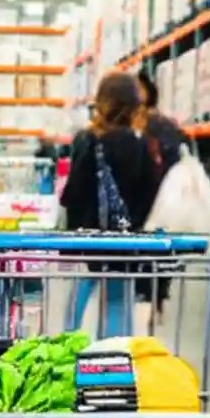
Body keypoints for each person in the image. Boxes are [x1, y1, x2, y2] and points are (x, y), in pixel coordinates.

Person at [60, 72, 158, 337]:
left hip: (89, 239)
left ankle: (67, 349)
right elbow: (151, 191)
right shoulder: (139, 146)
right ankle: (112, 362)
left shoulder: (86, 140)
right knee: (117, 303)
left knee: (77, 298)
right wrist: (134, 225)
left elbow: (74, 193)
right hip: (123, 242)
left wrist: (73, 234)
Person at [135, 67, 192, 318]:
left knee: (156, 247)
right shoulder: (143, 123)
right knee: (154, 249)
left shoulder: (155, 124)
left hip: (158, 195)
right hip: (151, 196)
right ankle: (152, 298)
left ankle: (153, 297)